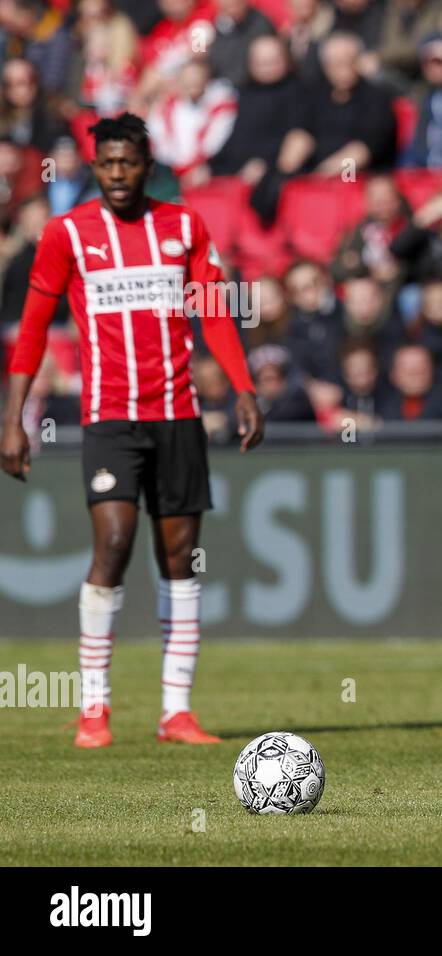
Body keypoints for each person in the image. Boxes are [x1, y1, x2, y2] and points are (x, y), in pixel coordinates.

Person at [0, 113, 265, 749]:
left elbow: (214, 315)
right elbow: (32, 329)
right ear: (95, 168)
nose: (116, 174)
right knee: (113, 544)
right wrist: (12, 420)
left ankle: (176, 711)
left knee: (179, 561)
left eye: (127, 163)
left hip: (177, 415)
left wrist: (244, 386)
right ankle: (94, 707)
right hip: (110, 418)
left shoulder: (183, 227)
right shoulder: (67, 234)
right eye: (106, 164)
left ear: (148, 166)